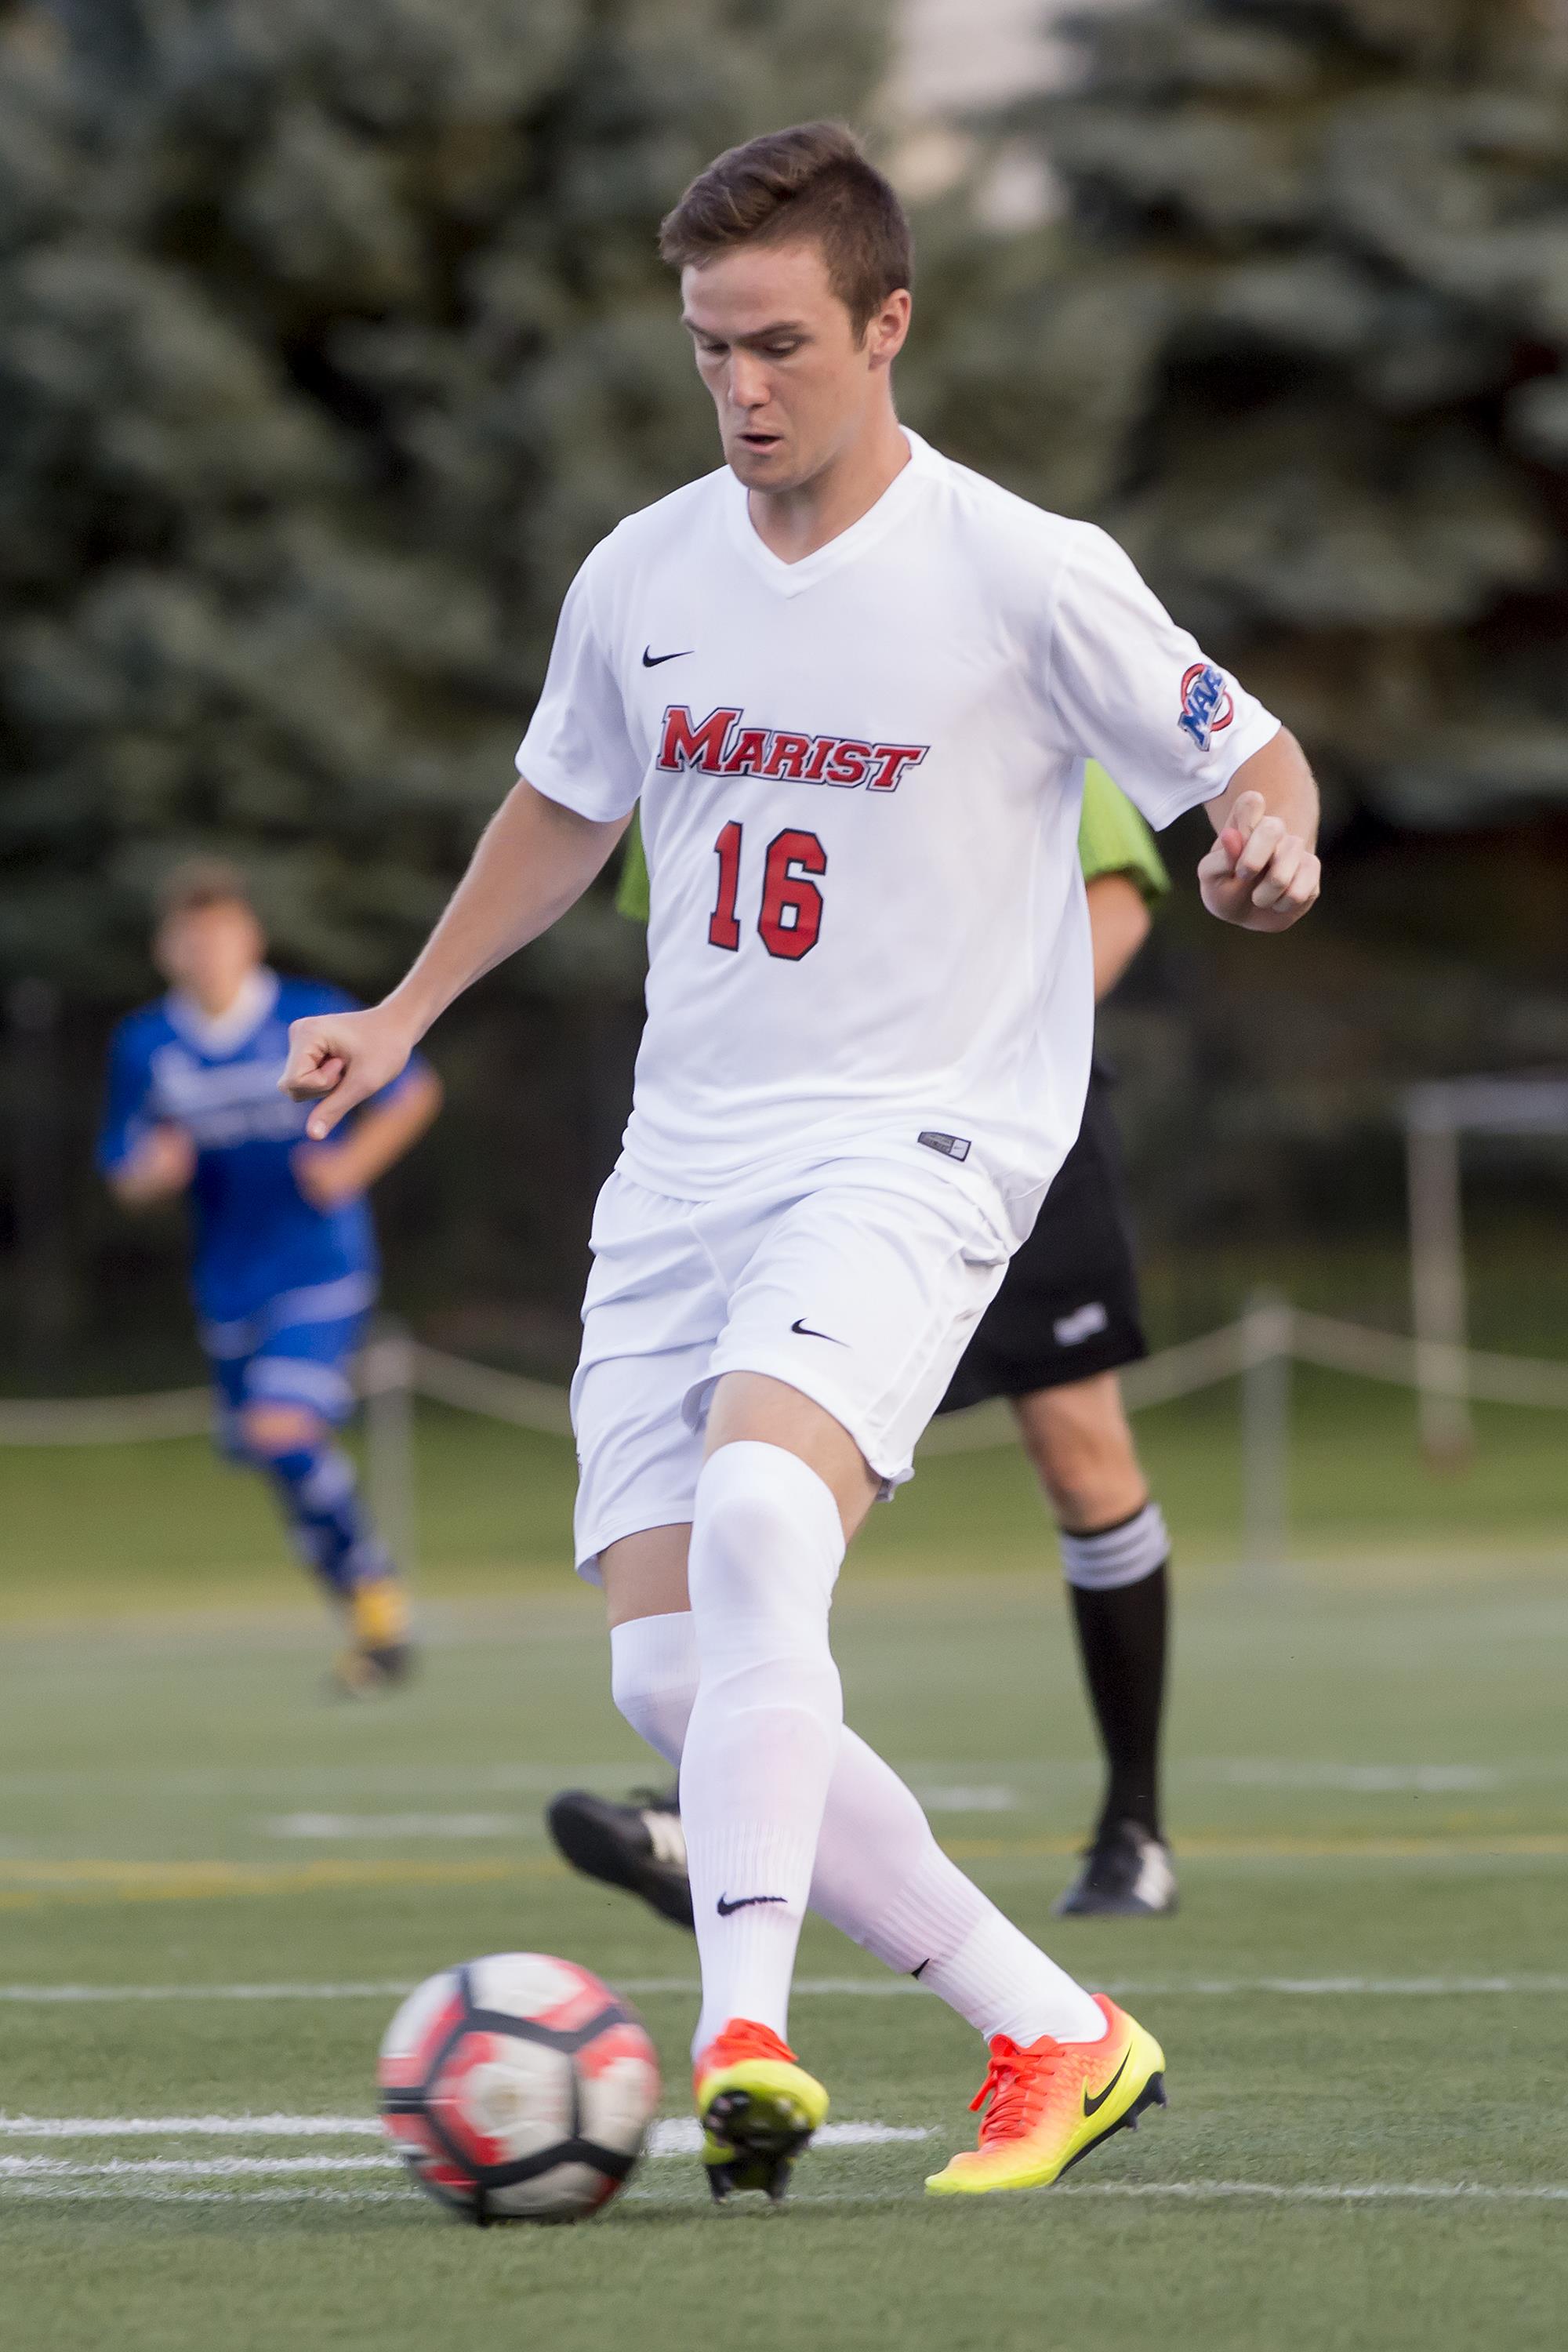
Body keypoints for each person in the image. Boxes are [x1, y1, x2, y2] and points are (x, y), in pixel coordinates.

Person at [279, 124, 1319, 2202]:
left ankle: (741, 2032)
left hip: (924, 1141)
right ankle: (1055, 2030)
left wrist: (1267, 843)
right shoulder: (644, 573)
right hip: (688, 1166)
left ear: (887, 327)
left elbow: (1249, 755)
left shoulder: (1023, 565)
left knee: (767, 1506)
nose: (741, 388)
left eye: (776, 344)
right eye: (707, 351)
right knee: (673, 1673)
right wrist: (402, 1009)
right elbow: (563, 812)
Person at [548, 765, 1178, 1929]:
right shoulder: (697, 679)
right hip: (780, 1149)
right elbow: (694, 936)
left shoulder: (980, 622)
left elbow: (1118, 895)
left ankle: (1133, 1826)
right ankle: (724, 1810)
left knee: (1082, 1455)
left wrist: (978, 1065)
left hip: (983, 1131)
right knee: (764, 1479)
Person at [99, 859, 441, 1693]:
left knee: (281, 1431)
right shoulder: (148, 1045)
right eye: (191, 935)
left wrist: (350, 1166)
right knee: (273, 1456)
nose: (207, 949)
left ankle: (379, 1602)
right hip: (228, 1279)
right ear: (166, 949)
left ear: (249, 937)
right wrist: (152, 1172)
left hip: (320, 1265)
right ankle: (371, 1626)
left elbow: (414, 1089)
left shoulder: (300, 1014)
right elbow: (122, 1167)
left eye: (221, 931)